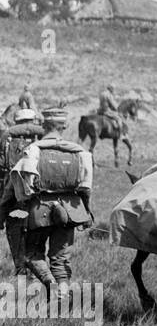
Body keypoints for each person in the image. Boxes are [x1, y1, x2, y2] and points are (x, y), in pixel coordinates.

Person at [6, 109, 93, 301]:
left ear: (44, 126)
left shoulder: (34, 150)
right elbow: (86, 188)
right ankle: (62, 294)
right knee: (61, 258)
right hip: (71, 211)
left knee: (32, 254)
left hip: (39, 211)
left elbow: (22, 186)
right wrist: (87, 213)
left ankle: (50, 284)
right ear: (65, 126)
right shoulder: (82, 153)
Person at [0, 108, 45, 275]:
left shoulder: (6, 135)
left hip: (12, 191)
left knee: (14, 229)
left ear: (16, 120)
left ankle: (20, 268)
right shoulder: (43, 134)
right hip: (38, 192)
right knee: (38, 233)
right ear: (33, 119)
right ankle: (39, 267)